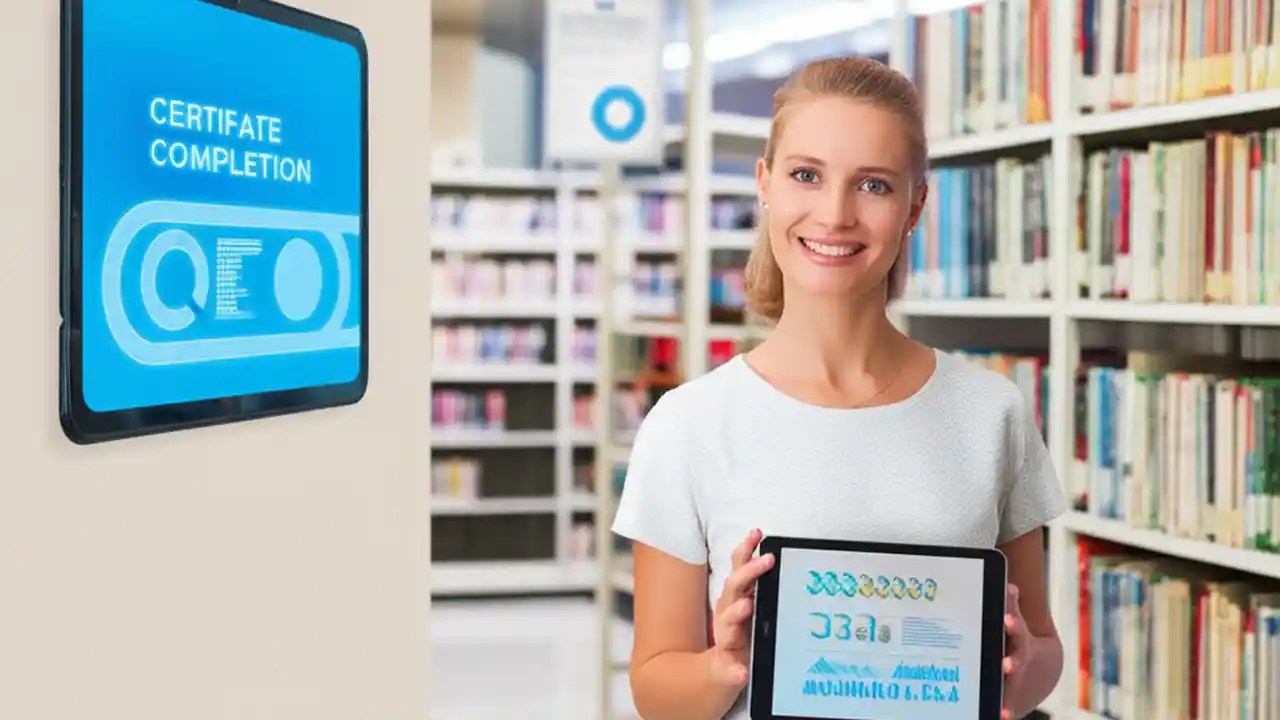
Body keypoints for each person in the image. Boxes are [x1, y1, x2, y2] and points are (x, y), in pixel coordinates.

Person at [611, 56, 1068, 720]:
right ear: (765, 184)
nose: (834, 213)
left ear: (915, 205)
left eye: (874, 186)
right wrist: (726, 662)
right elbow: (656, 689)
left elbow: (1044, 654)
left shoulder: (989, 412)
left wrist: (1019, 668)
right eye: (806, 175)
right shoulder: (688, 424)